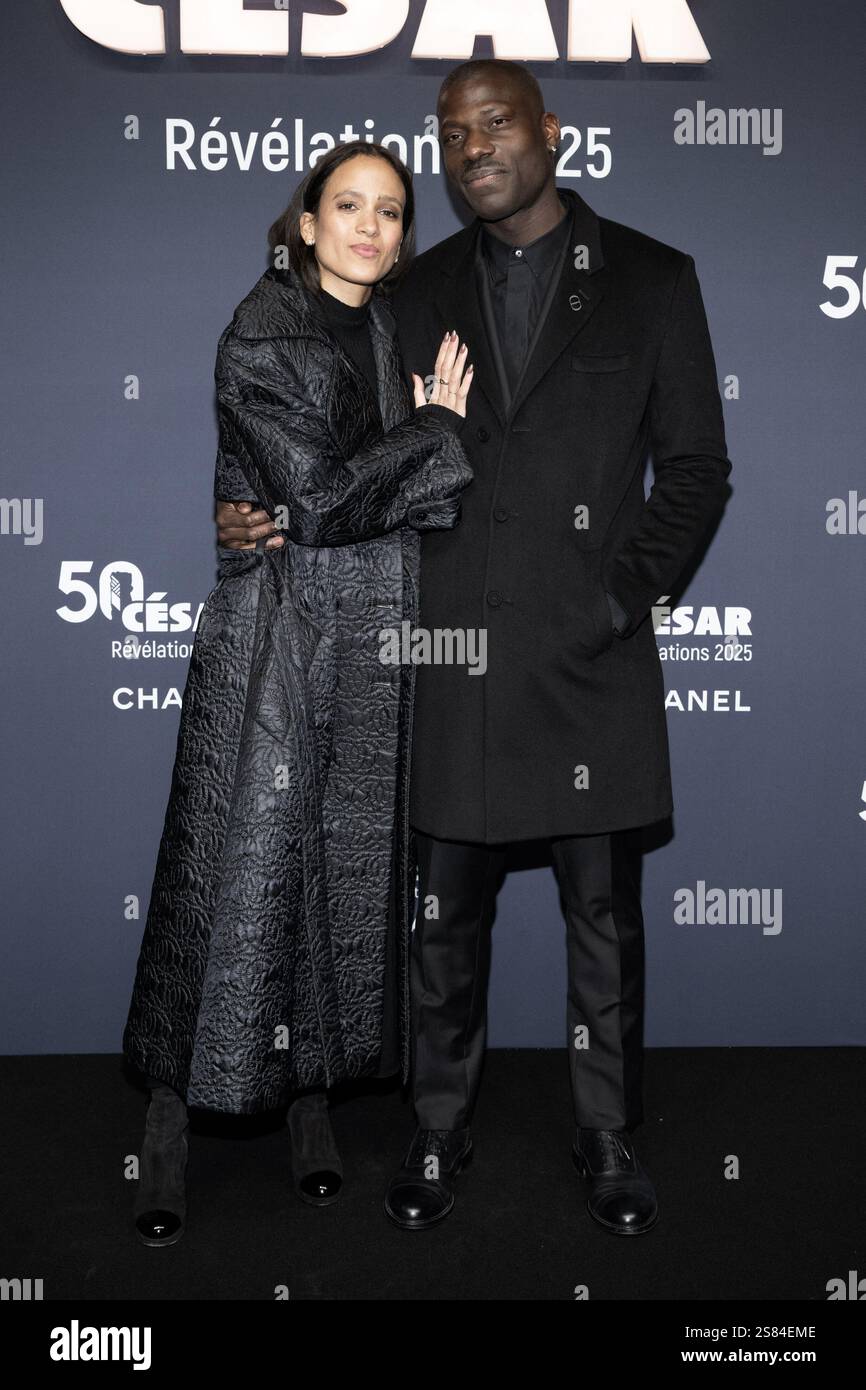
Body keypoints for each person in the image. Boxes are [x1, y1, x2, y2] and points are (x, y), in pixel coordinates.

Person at [217, 60, 733, 1238]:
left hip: (587, 660)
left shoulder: (653, 279)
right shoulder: (413, 286)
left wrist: (616, 602)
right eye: (451, 134)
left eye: (495, 123)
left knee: (602, 922)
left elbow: (696, 469)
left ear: (552, 133)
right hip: (446, 655)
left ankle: (604, 1130)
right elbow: (329, 451)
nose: (472, 147)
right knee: (441, 924)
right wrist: (249, 507)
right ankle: (437, 1122)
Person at [122, 139, 474, 1246]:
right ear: (306, 222)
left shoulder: (382, 331)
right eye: (347, 206)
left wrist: (410, 469)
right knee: (232, 887)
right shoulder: (259, 334)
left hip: (365, 645)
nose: (369, 227)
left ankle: (308, 1111)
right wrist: (433, 437)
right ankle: (165, 1135)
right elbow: (318, 499)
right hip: (272, 642)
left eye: (389, 211)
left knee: (334, 889)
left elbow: (406, 507)